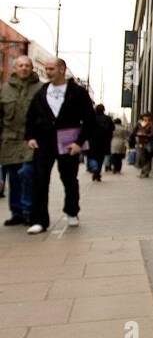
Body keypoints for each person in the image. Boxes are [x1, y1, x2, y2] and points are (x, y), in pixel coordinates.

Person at [25, 58, 97, 233]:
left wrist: (79, 142)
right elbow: (31, 117)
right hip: (44, 142)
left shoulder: (77, 92)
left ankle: (72, 211)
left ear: (62, 69)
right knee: (40, 179)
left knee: (69, 179)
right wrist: (30, 137)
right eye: (46, 68)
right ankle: (39, 220)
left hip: (68, 141)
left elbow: (89, 119)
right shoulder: (42, 92)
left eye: (51, 68)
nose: (48, 71)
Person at [0, 55, 43, 226]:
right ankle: (16, 212)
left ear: (32, 68)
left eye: (27, 65)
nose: (24, 68)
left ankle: (28, 210)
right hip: (9, 141)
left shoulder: (40, 88)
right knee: (13, 177)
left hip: (30, 140)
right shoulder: (4, 89)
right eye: (20, 65)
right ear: (14, 68)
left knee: (26, 173)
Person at [87, 103, 114, 182]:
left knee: (92, 157)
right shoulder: (108, 118)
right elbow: (112, 128)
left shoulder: (91, 118)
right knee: (100, 158)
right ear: (103, 110)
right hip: (104, 142)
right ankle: (98, 172)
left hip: (92, 142)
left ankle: (95, 170)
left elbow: (86, 128)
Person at [135, 113, 153, 177]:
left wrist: (145, 135)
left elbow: (152, 134)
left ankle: (145, 173)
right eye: (144, 118)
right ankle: (144, 172)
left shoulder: (151, 125)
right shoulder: (140, 124)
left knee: (147, 157)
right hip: (141, 143)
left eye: (147, 118)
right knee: (142, 158)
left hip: (148, 143)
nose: (145, 119)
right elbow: (135, 132)